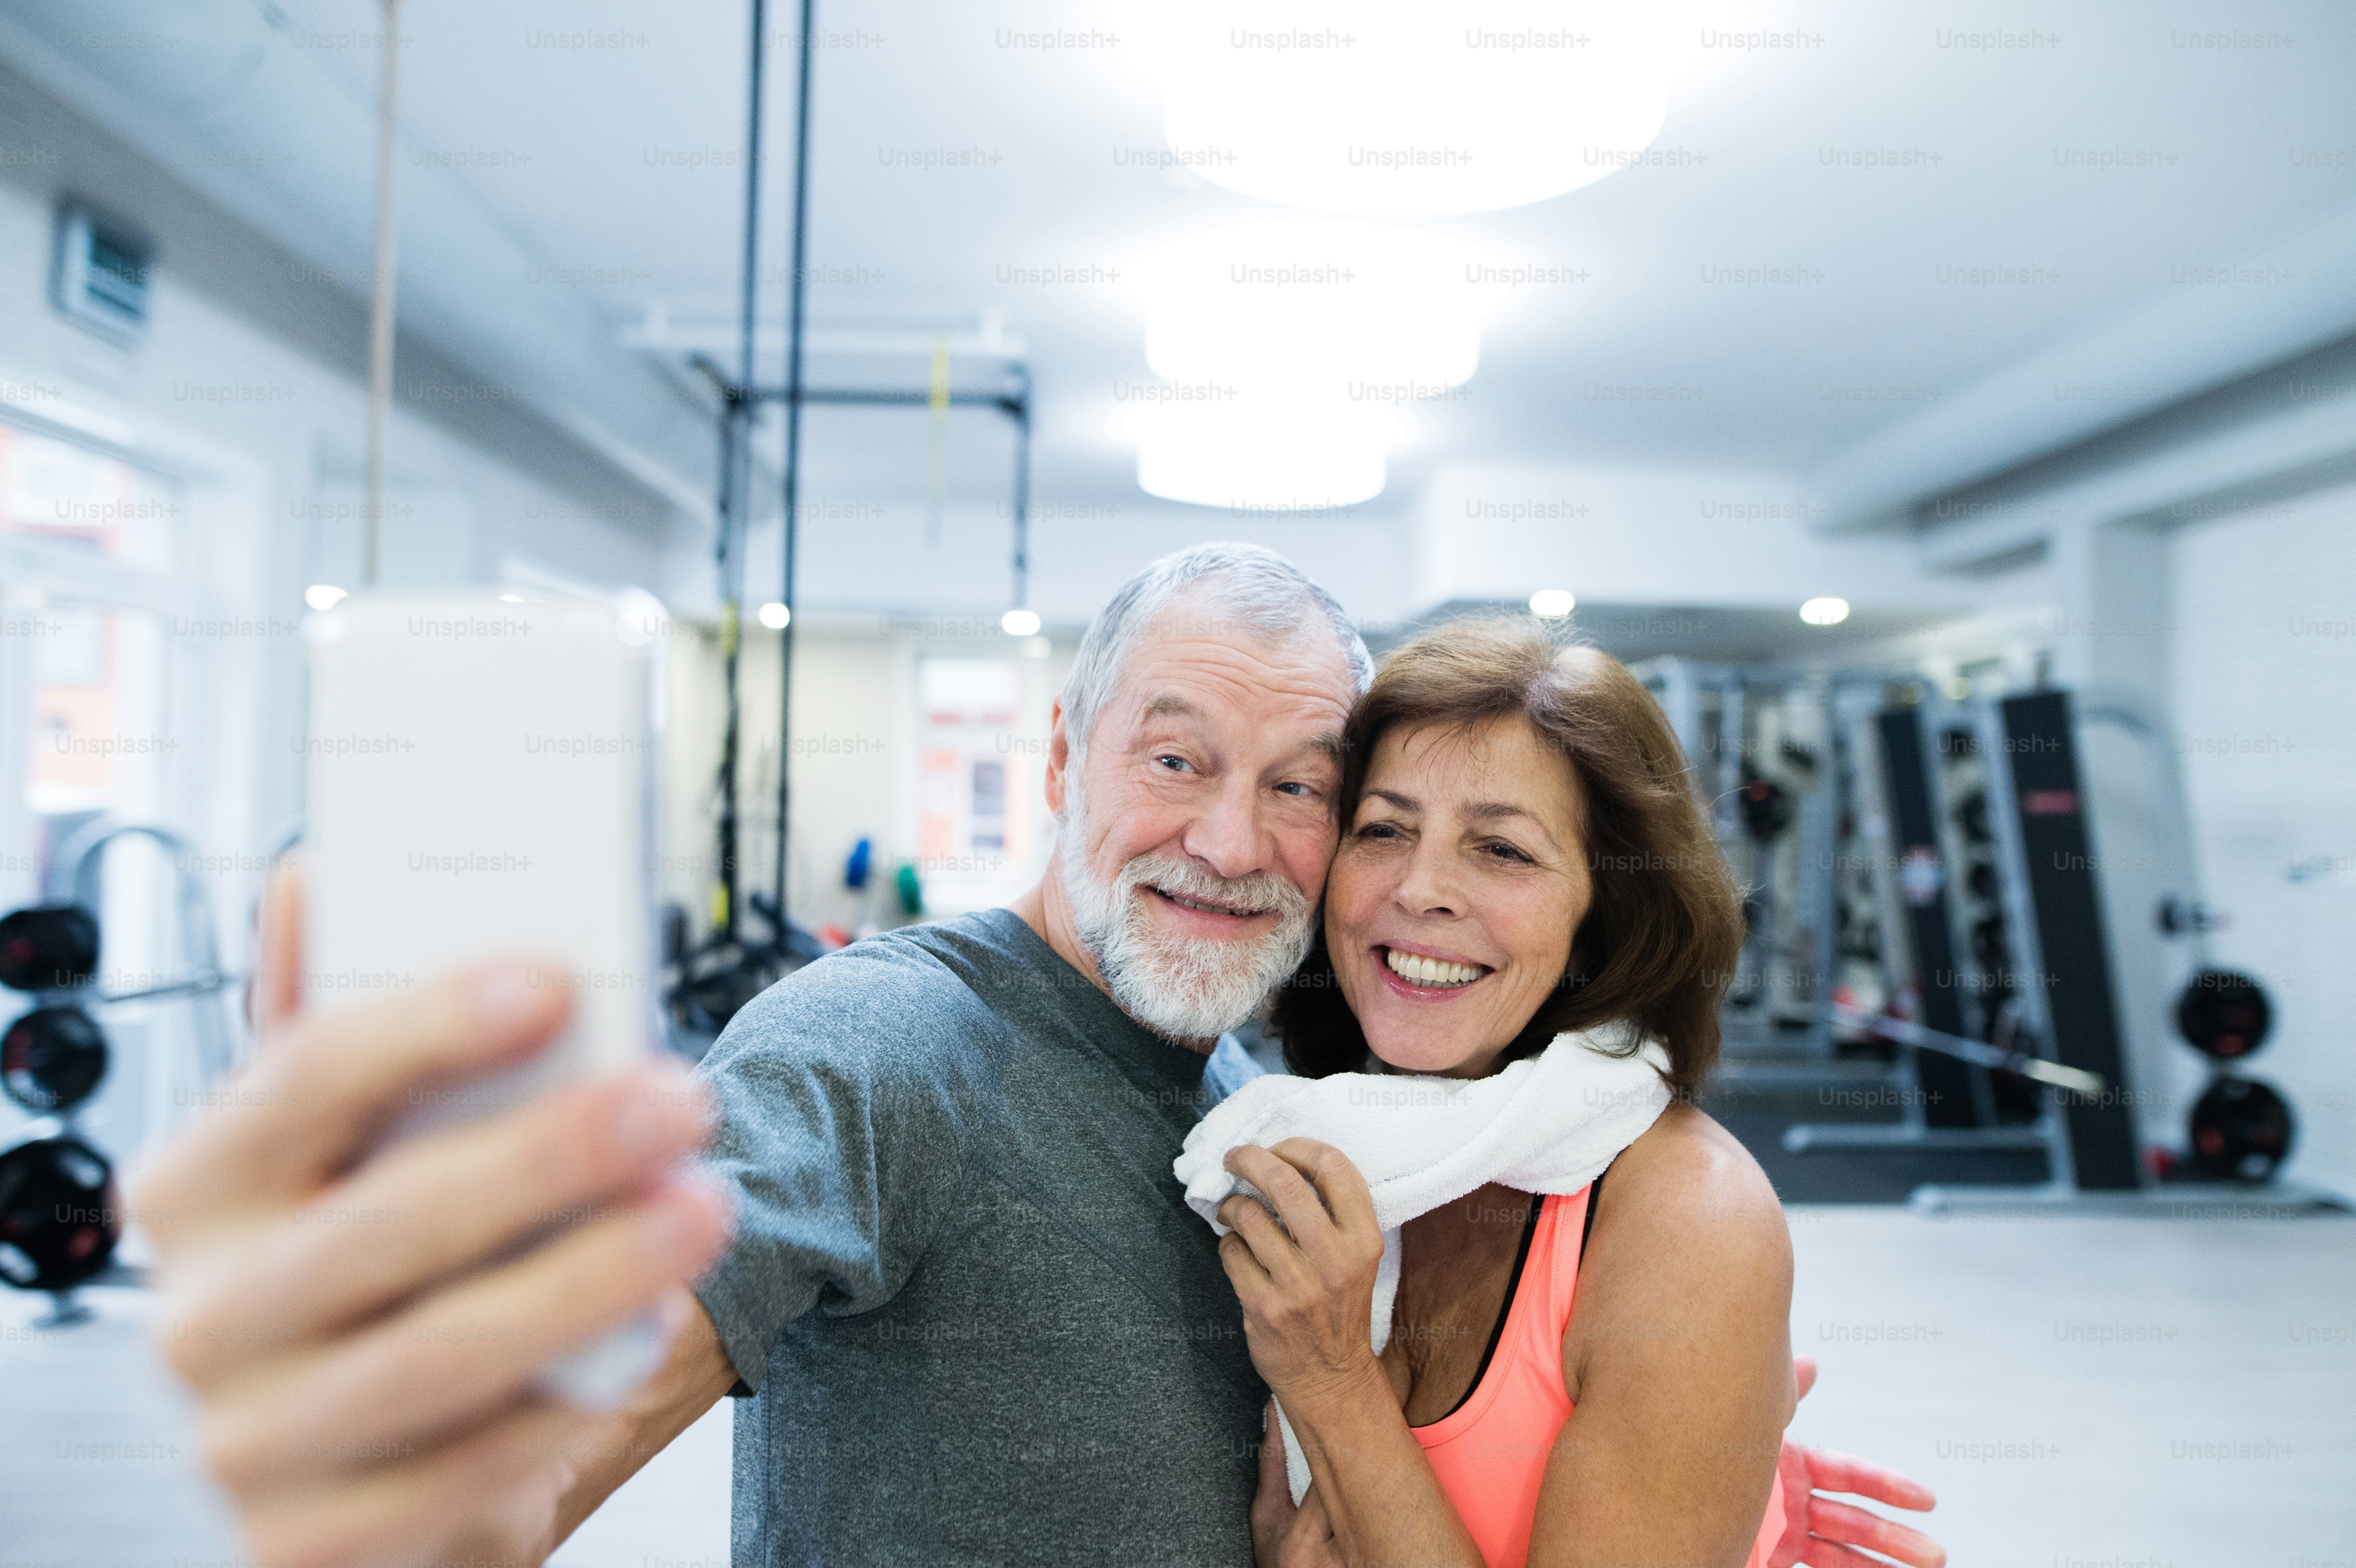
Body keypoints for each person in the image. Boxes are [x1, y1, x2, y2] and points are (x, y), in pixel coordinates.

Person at [133, 544, 1941, 1567]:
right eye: (1175, 758)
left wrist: (1687, 1466)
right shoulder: (883, 1042)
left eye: (1304, 786)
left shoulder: (1269, 1109)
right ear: (1063, 765)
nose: (1234, 839)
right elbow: (555, 1423)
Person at [1201, 617, 1868, 1567]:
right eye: (1383, 829)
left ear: (1605, 912)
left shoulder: (1691, 1218)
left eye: (1503, 850)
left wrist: (1335, 1383)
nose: (1422, 889)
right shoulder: (1341, 1134)